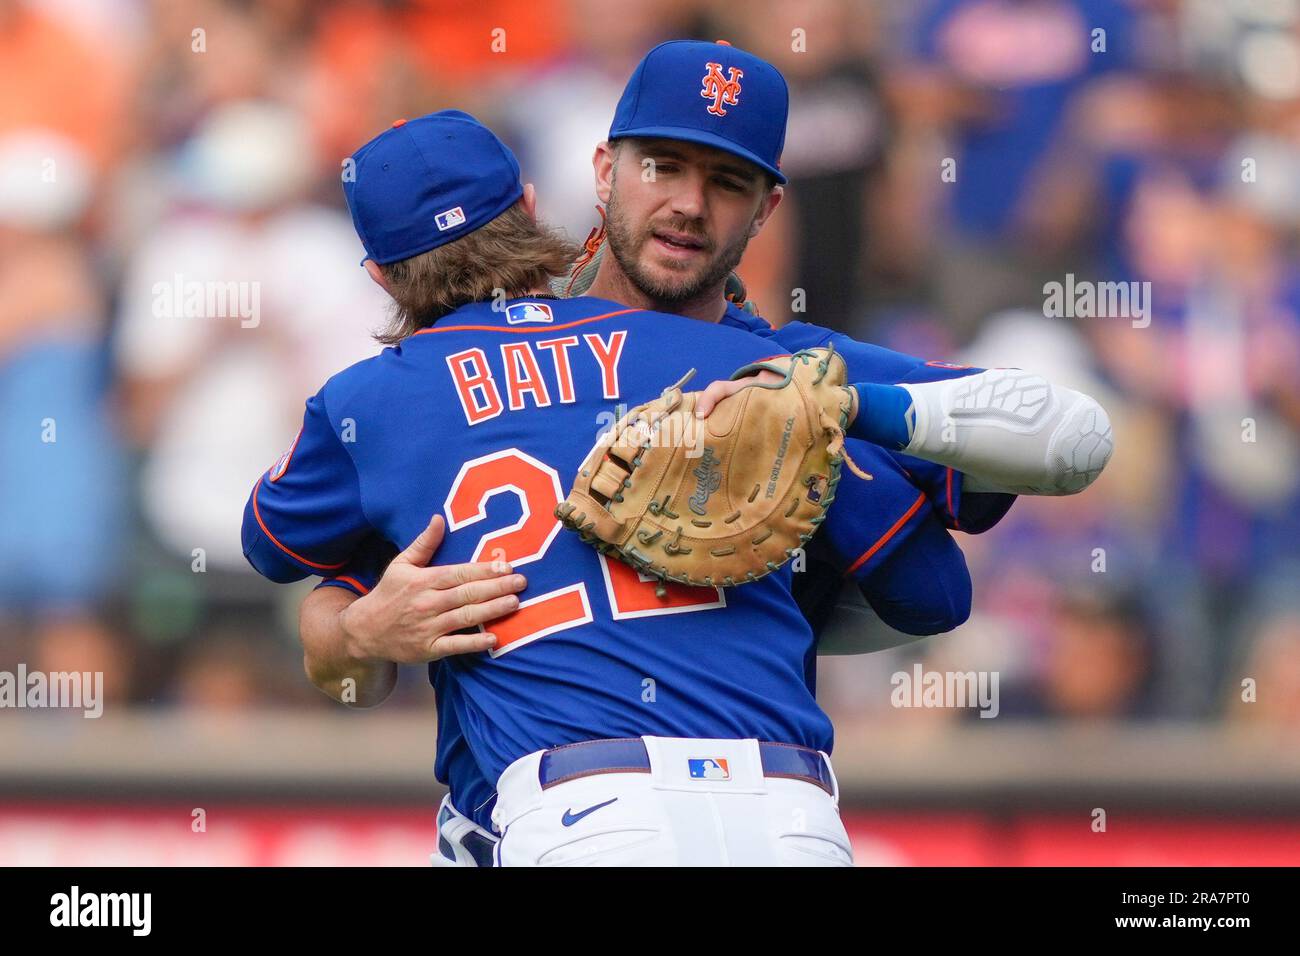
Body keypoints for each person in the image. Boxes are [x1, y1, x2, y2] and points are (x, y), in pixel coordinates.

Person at [270, 42, 1111, 866]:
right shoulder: (459, 383)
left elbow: (1076, 439)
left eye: (727, 182)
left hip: (600, 811)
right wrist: (362, 631)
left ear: (767, 208)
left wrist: (851, 406)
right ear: (603, 170)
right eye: (662, 167)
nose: (689, 204)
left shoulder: (788, 368)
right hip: (731, 814)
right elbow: (335, 646)